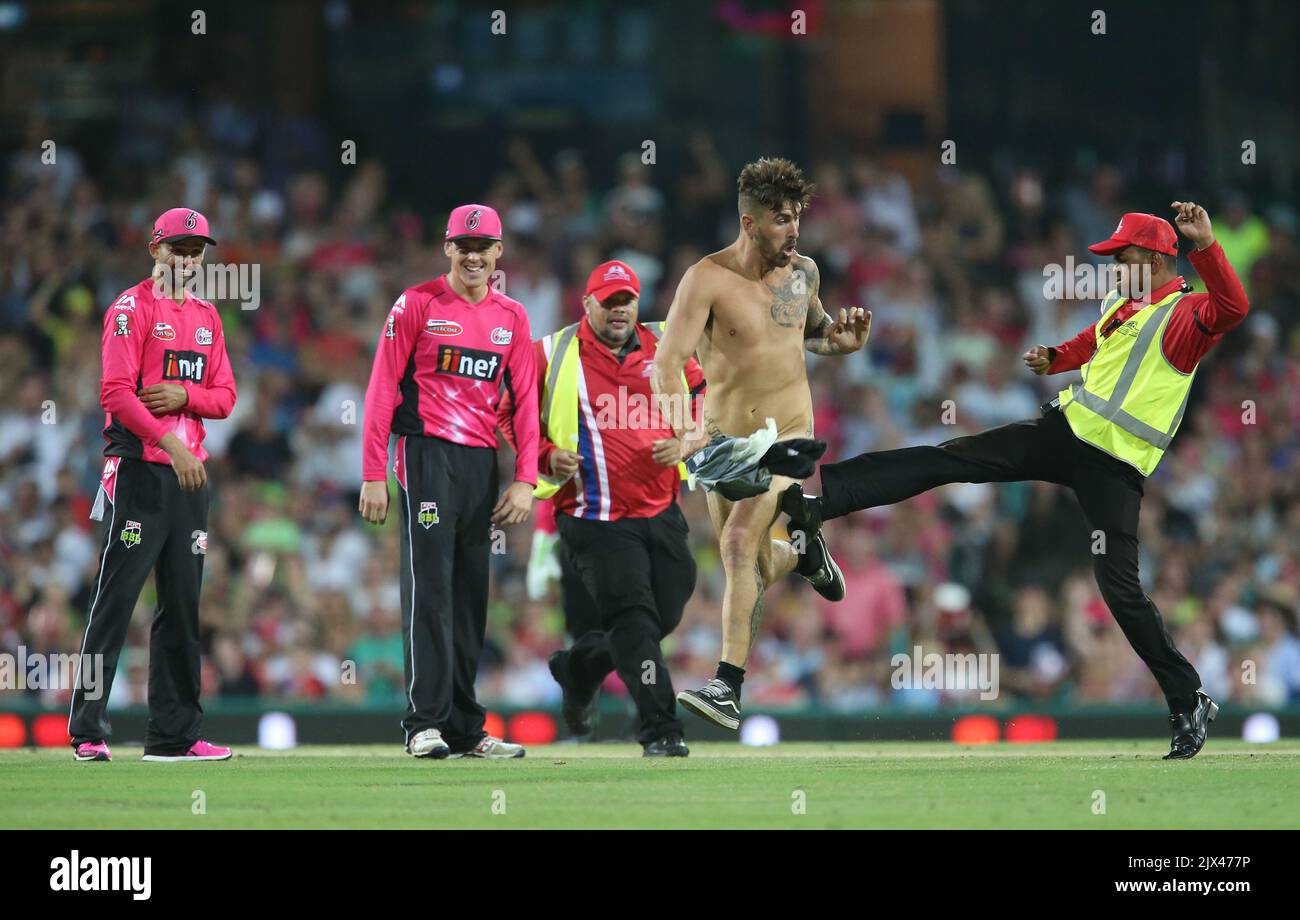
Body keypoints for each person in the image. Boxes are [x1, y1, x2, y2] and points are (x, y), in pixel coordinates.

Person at [783, 203, 1247, 759]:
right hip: (1066, 429)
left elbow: (1233, 307)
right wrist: (1056, 358)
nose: (1112, 268)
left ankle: (1187, 697)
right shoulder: (1125, 304)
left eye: (1120, 258)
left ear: (1152, 258)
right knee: (952, 458)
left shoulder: (1184, 315)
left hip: (1116, 464)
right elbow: (1095, 343)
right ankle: (824, 500)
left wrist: (1206, 246)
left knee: (1119, 588)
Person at [650, 158, 871, 730]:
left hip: (790, 434)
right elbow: (667, 361)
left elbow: (815, 334)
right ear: (749, 222)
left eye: (796, 217)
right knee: (744, 559)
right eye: (780, 220)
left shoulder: (805, 274)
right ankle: (804, 552)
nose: (793, 230)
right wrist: (681, 426)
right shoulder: (706, 279)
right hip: (723, 442)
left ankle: (727, 687)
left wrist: (840, 342)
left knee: (739, 542)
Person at [359, 204, 539, 760]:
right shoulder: (416, 304)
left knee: (469, 601)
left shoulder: (512, 316)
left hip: (480, 466)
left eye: (484, 246)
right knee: (430, 592)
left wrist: (525, 480)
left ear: (498, 253)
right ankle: (423, 725)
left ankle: (464, 728)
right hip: (426, 457)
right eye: (464, 245)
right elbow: (381, 390)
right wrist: (372, 473)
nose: (474, 255)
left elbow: (526, 403)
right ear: (447, 249)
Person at [504, 260, 705, 756]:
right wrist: (547, 456)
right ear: (587, 303)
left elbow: (706, 400)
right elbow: (507, 410)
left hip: (661, 509)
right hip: (594, 518)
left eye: (627, 300)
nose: (619, 310)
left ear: (639, 304)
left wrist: (689, 442)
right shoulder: (550, 352)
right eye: (609, 300)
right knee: (635, 620)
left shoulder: (667, 345)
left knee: (667, 611)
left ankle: (581, 667)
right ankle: (661, 729)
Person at [68, 208, 237, 763]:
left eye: (197, 251)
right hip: (141, 471)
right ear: (155, 250)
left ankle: (174, 736)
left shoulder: (208, 316)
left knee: (183, 608)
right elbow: (116, 394)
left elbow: (225, 397)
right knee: (116, 600)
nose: (188, 260)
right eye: (178, 249)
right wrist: (173, 443)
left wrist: (186, 399)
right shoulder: (129, 309)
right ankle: (87, 730)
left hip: (189, 479)